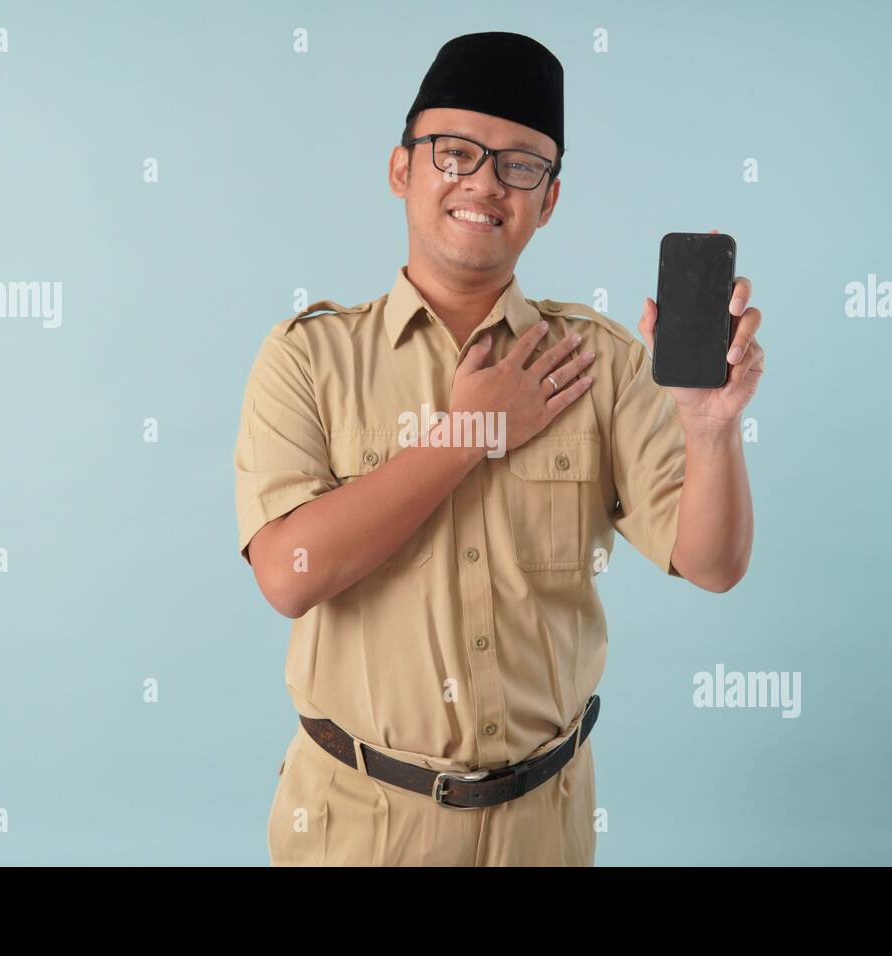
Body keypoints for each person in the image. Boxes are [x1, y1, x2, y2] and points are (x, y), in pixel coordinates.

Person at [235, 31, 764, 866]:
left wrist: (712, 428)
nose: (484, 181)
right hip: (359, 828)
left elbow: (713, 563)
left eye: (521, 164)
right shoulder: (309, 357)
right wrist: (472, 433)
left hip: (543, 828)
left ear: (548, 200)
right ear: (402, 169)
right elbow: (285, 574)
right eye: (454, 153)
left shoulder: (600, 361)